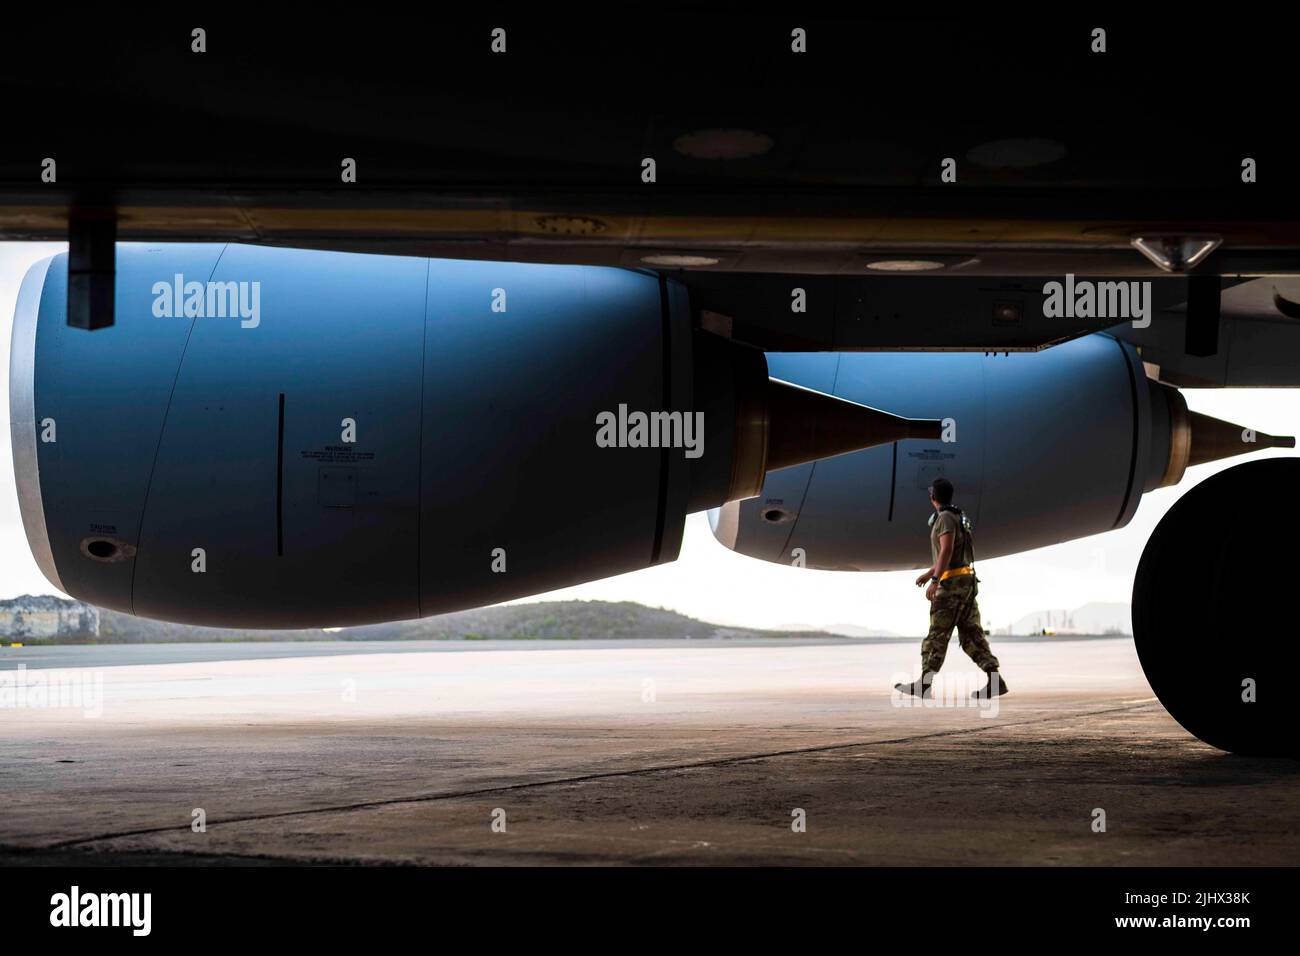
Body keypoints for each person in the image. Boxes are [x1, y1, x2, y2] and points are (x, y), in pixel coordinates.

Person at [894, 477, 1007, 700]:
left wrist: (935, 580)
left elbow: (946, 550)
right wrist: (929, 573)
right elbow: (952, 552)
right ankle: (996, 681)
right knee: (971, 634)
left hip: (952, 585)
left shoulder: (945, 518)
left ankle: (924, 685)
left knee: (937, 635)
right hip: (965, 582)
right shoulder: (957, 515)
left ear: (932, 496)